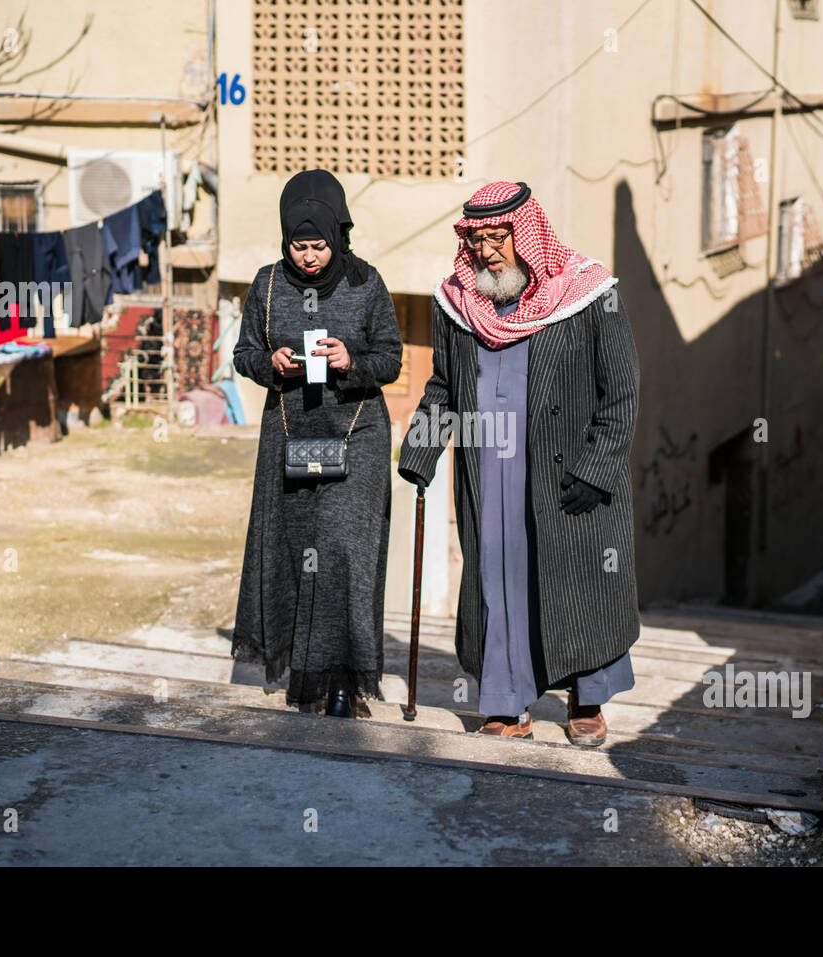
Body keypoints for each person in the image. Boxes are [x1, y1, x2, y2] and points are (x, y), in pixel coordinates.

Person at [398, 180, 641, 746]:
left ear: (527, 233)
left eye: (499, 237)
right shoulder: (457, 305)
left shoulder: (588, 293)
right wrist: (420, 449)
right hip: (491, 472)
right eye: (477, 240)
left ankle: (588, 698)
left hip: (570, 474)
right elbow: (443, 384)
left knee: (579, 581)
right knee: (500, 581)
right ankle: (506, 702)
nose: (487, 251)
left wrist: (597, 469)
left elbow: (622, 391)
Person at [231, 169, 403, 717]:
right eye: (298, 245)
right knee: (293, 555)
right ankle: (305, 680)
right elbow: (243, 354)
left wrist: (351, 362)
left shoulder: (365, 284)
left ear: (338, 236)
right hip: (291, 434)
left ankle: (345, 684)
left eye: (319, 245)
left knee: (341, 553)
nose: (309, 256)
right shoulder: (268, 285)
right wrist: (268, 363)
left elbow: (392, 358)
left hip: (359, 437)